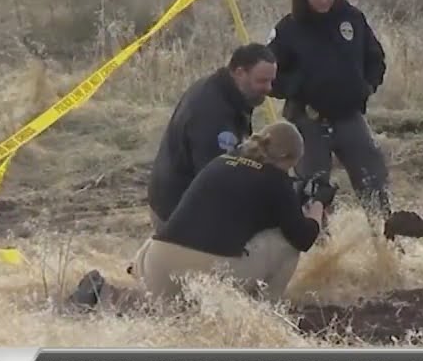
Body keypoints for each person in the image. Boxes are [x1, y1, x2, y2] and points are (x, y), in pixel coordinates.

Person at [70, 121, 328, 310]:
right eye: (292, 164)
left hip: (156, 260)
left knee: (161, 307)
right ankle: (266, 314)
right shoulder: (276, 181)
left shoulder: (220, 162)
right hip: (203, 270)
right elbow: (303, 238)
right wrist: (316, 208)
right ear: (285, 157)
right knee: (285, 245)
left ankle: (106, 293)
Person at [266, 0, 392, 219]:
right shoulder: (288, 30)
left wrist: (366, 86)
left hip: (349, 116)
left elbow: (375, 57)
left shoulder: (353, 19)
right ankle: (321, 249)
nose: (323, 0)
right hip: (308, 120)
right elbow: (270, 74)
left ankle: (385, 240)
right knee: (313, 189)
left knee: (372, 179)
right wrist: (299, 86)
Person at [146, 44, 277, 232]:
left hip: (180, 196)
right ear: (240, 73)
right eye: (262, 81)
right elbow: (217, 178)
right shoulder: (213, 115)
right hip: (179, 209)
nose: (268, 88)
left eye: (271, 81)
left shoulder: (226, 91)